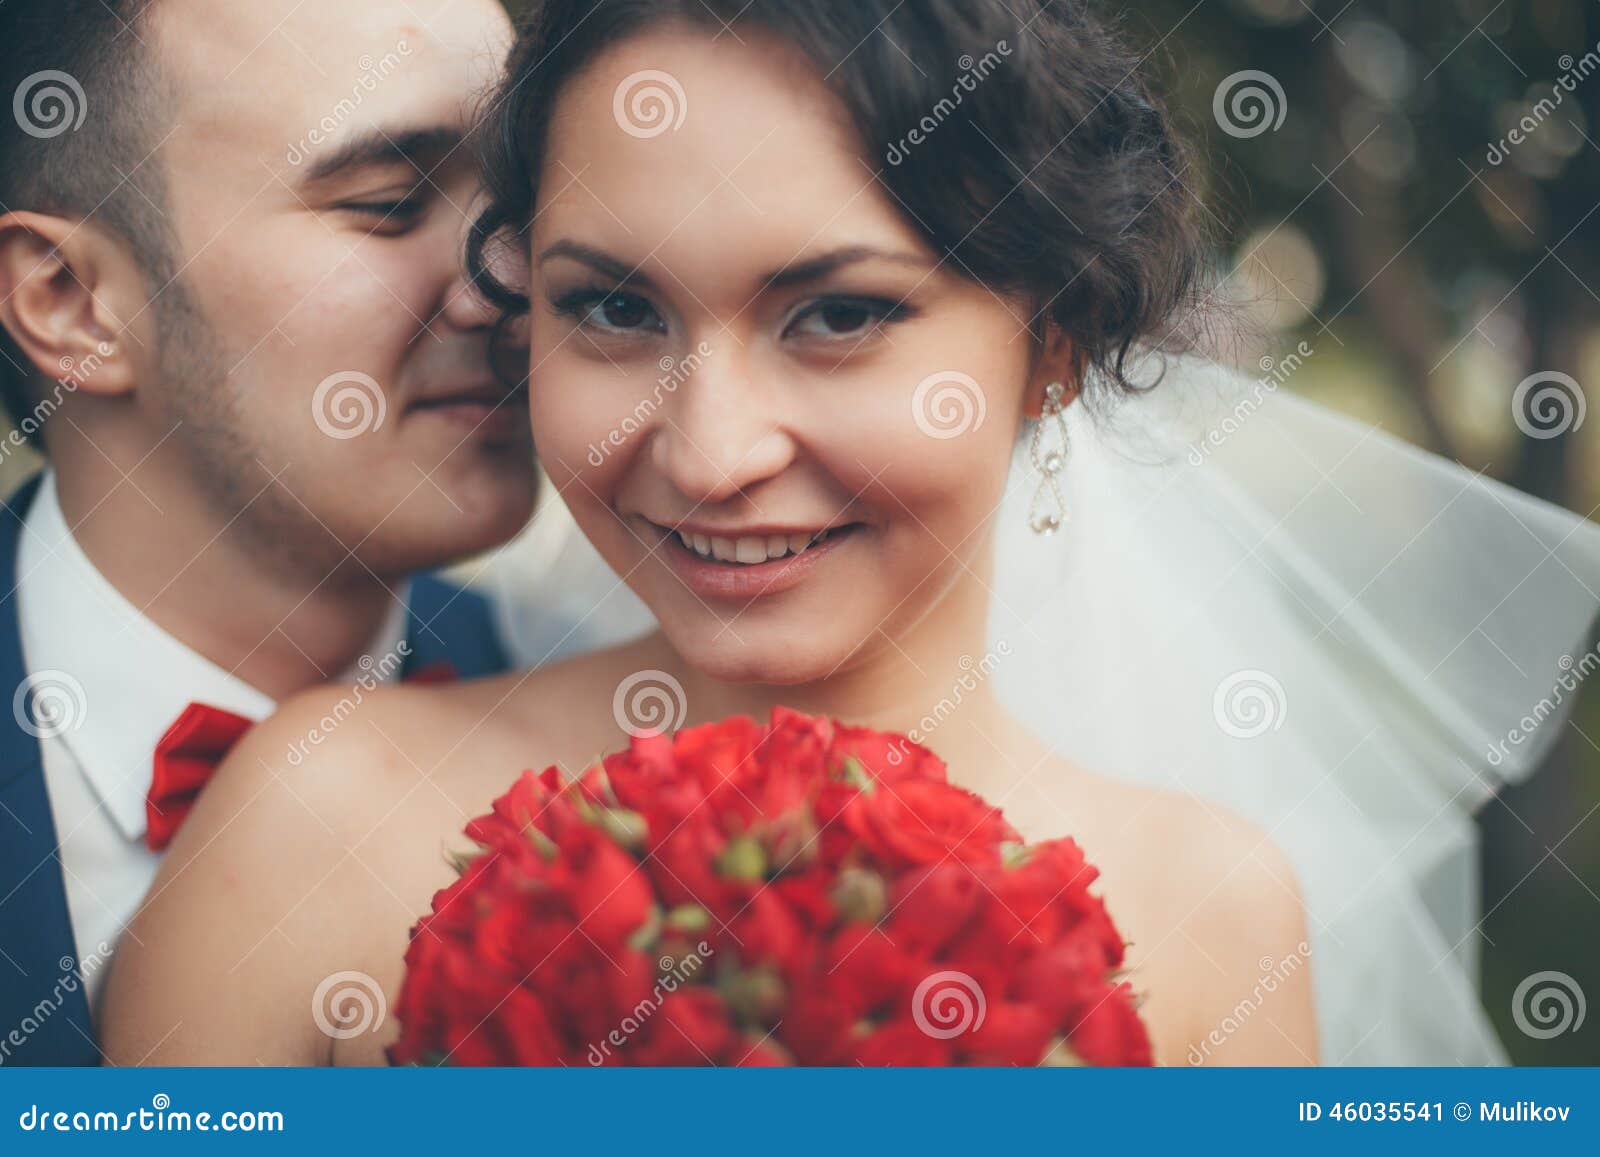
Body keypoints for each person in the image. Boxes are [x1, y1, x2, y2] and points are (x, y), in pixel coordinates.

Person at [102, 0, 1328, 1067]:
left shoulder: (1213, 917)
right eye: (616, 308)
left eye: (837, 314)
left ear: (1049, 347)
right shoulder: (315, 821)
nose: (707, 453)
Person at [0, 0, 549, 1066]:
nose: (516, 279)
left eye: (525, 194)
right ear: (69, 300)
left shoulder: (616, 725)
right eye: (392, 202)